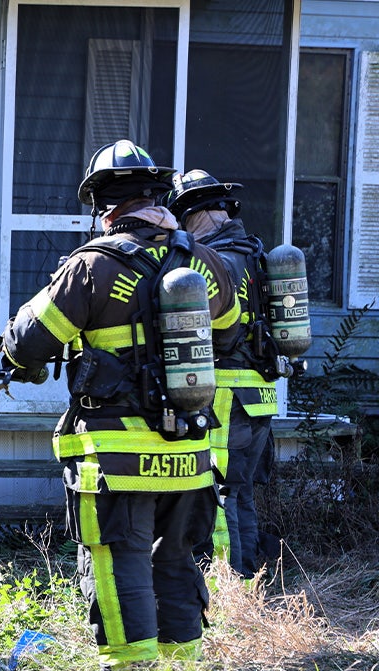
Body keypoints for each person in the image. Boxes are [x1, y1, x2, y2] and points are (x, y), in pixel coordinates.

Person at [0, 140, 241, 671]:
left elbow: (28, 344)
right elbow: (227, 339)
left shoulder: (92, 266)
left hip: (114, 453)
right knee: (176, 559)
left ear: (104, 207)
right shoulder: (206, 262)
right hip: (191, 451)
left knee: (116, 560)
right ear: (158, 197)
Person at [165, 169, 279, 579]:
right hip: (259, 395)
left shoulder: (216, 263)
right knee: (240, 492)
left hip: (227, 396)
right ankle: (247, 581)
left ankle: (227, 587)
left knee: (218, 494)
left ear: (192, 213)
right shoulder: (255, 256)